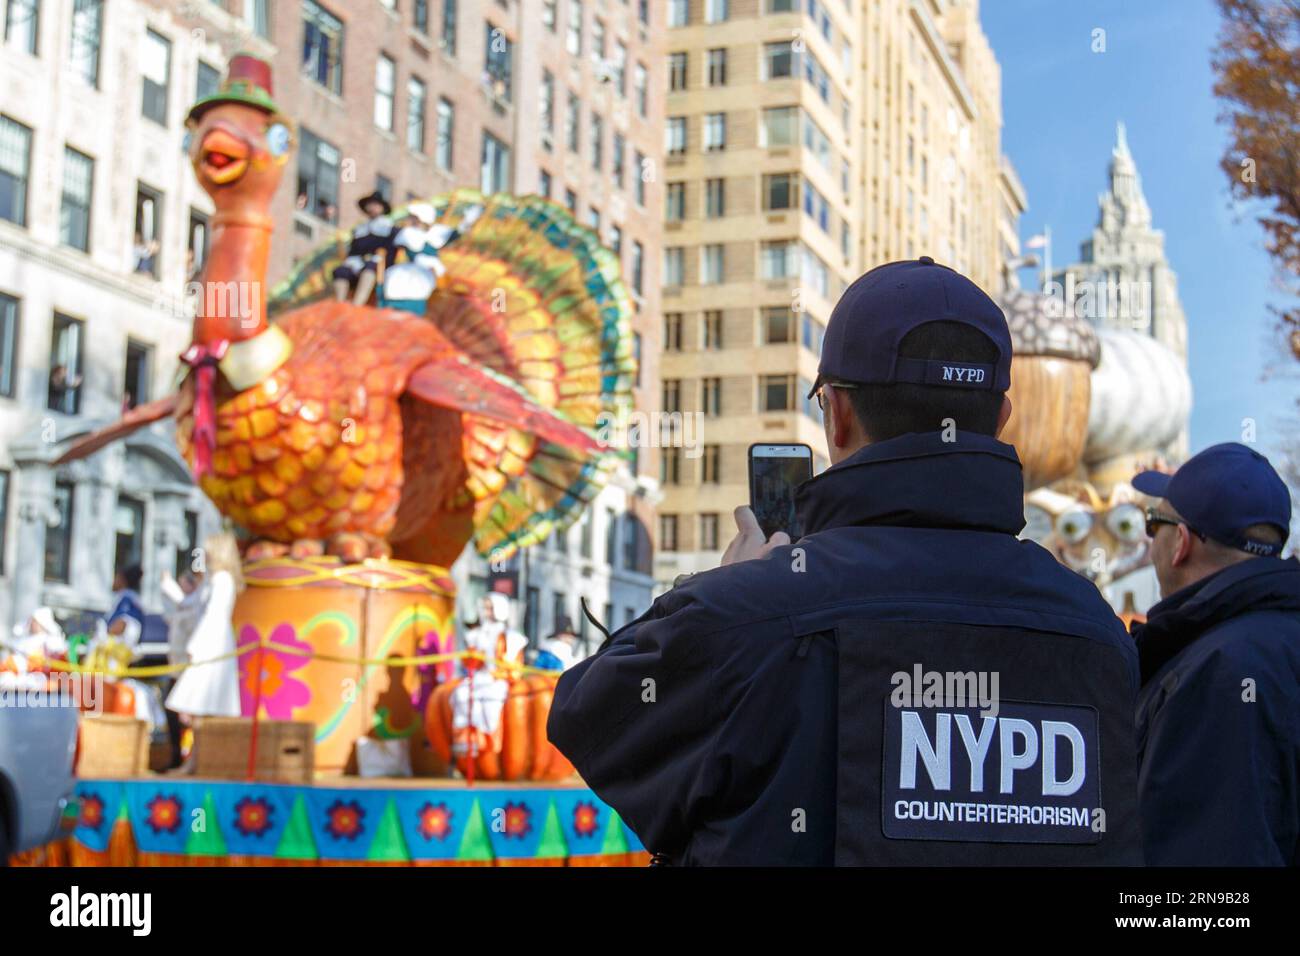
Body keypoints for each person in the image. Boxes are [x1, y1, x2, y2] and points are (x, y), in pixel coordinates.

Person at [548, 257, 1143, 865]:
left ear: (836, 415)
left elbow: (585, 715)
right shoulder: (1101, 635)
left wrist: (720, 590)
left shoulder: (742, 620)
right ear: (999, 422)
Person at [1130, 443, 1299, 866]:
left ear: (1180, 543)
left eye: (1155, 523)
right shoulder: (1273, 644)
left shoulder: (1220, 671)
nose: (1149, 540)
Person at [166, 533, 244, 762]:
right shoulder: (215, 580)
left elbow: (213, 616)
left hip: (212, 644)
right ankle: (195, 759)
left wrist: (196, 646)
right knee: (198, 706)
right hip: (211, 641)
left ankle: (202, 759)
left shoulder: (221, 580)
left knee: (198, 703)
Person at [380, 202, 482, 313]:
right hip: (411, 268)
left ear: (421, 218)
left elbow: (457, 233)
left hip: (431, 271)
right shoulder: (407, 233)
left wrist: (467, 221)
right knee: (396, 278)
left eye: (412, 217)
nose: (408, 219)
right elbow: (390, 250)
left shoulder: (438, 232)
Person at [332, 191, 395, 305]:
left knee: (370, 267)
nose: (372, 208)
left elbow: (390, 251)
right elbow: (353, 251)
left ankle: (357, 305)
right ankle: (340, 305)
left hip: (378, 265)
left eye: (376, 205)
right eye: (370, 204)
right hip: (357, 263)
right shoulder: (359, 229)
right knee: (341, 271)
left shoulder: (389, 227)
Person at [105, 564, 146, 649]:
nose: (114, 581)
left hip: (117, 650)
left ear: (122, 580)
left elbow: (121, 624)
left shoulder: (127, 599)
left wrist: (102, 636)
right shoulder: (127, 597)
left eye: (116, 577)